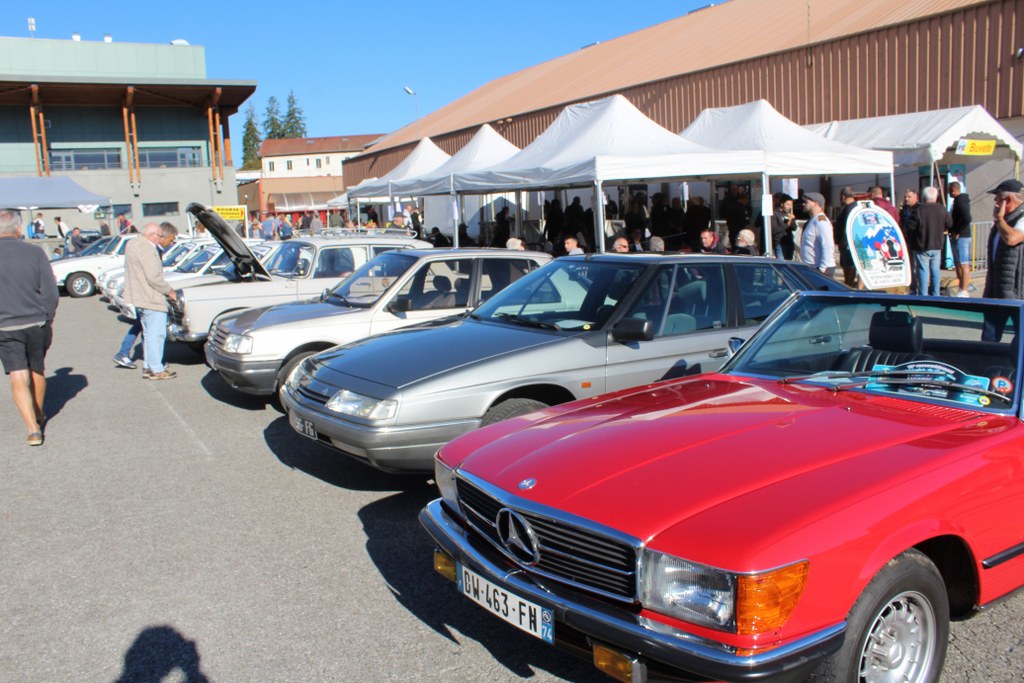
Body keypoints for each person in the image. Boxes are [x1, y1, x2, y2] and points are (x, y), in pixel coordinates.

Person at [0, 210, 58, 446]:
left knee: (17, 375)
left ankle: (33, 429)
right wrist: (48, 317)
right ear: (19, 229)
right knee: (37, 370)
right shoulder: (35, 253)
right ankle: (39, 413)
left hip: (4, 325)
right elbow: (51, 293)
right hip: (36, 321)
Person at [114, 223, 177, 370]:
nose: (170, 242)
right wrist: (170, 292)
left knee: (147, 332)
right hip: (150, 298)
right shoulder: (148, 249)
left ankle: (149, 364)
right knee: (155, 334)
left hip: (140, 297)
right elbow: (153, 277)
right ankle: (155, 367)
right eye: (168, 238)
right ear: (156, 236)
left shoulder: (133, 244)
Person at [982, 179, 1024, 341]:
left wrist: (999, 219)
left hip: (1017, 294)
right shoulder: (1002, 223)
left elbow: (1012, 239)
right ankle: (987, 365)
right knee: (989, 339)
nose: (995, 202)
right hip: (996, 291)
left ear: (1009, 200)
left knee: (1020, 338)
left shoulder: (1021, 219)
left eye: (998, 198)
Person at [910, 186, 951, 296]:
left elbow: (911, 227)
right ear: (936, 197)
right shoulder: (942, 209)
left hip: (922, 245)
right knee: (935, 270)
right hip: (937, 244)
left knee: (923, 271)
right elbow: (949, 224)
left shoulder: (918, 211)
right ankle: (935, 294)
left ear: (923, 197)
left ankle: (923, 295)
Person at [799, 192, 835, 277]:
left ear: (816, 203)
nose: (803, 204)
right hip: (812, 268)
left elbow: (828, 245)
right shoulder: (813, 221)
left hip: (820, 269)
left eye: (806, 202)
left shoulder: (821, 221)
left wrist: (822, 269)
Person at [949, 181, 973, 297]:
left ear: (953, 190)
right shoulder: (956, 201)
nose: (948, 193)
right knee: (958, 263)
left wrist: (958, 230)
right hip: (957, 235)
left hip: (962, 236)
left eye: (949, 190)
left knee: (964, 264)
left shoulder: (960, 201)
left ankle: (965, 290)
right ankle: (961, 288)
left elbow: (967, 217)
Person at [834, 188, 859, 287]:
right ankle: (849, 283)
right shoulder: (855, 206)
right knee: (846, 265)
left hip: (847, 243)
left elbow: (847, 226)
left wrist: (844, 240)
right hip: (847, 242)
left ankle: (849, 285)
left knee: (848, 265)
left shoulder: (849, 208)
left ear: (843, 197)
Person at [770, 193, 797, 260]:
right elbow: (774, 230)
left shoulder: (788, 214)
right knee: (781, 262)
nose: (789, 207)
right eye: (787, 204)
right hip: (779, 243)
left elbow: (794, 228)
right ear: (782, 204)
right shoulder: (775, 214)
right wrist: (787, 224)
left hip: (789, 241)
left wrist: (792, 220)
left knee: (789, 262)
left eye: (791, 205)